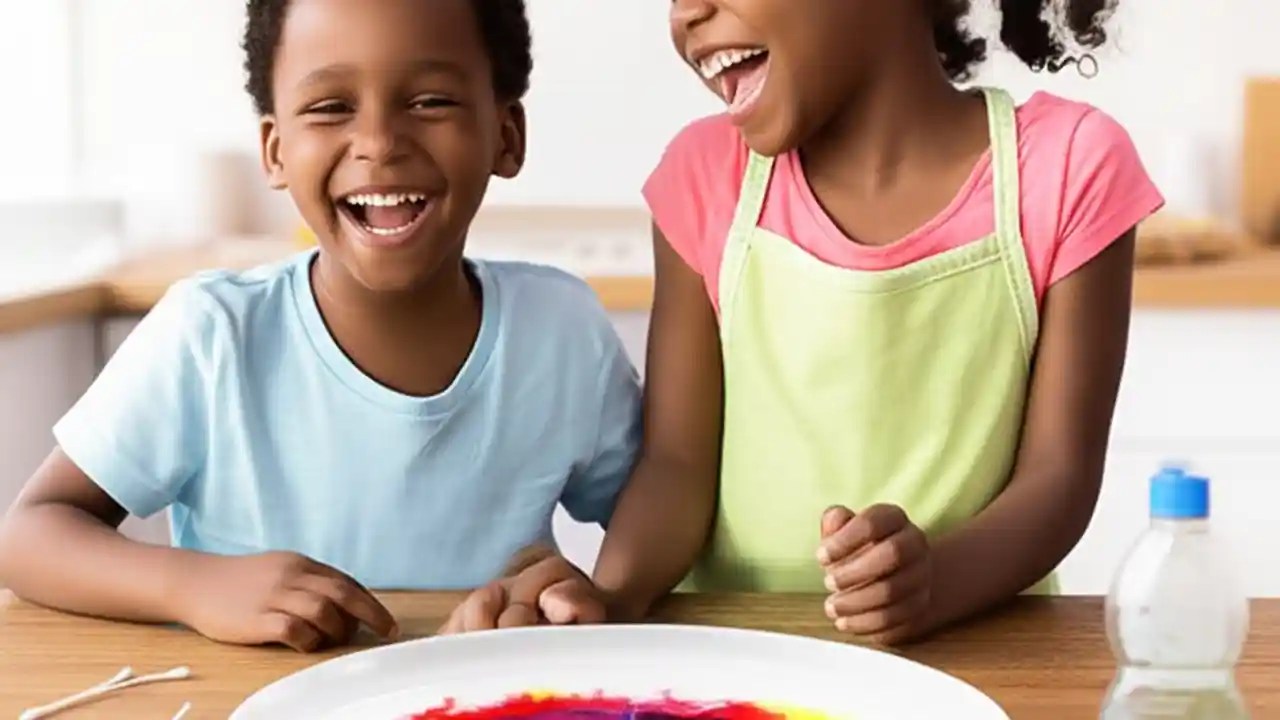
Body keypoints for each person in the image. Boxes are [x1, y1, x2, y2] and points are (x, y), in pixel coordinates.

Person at [445, 0, 1163, 644]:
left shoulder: (1065, 167)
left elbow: (1058, 479)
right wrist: (613, 596)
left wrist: (936, 583)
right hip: (737, 655)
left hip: (976, 653)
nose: (686, 14)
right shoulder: (706, 175)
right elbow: (677, 464)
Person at [0, 0, 641, 653]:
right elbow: (27, 536)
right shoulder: (212, 336)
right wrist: (193, 586)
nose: (379, 143)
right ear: (275, 151)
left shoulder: (561, 331)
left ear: (506, 135)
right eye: (331, 107)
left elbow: (659, 520)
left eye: (430, 101)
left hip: (490, 687)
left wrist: (576, 591)